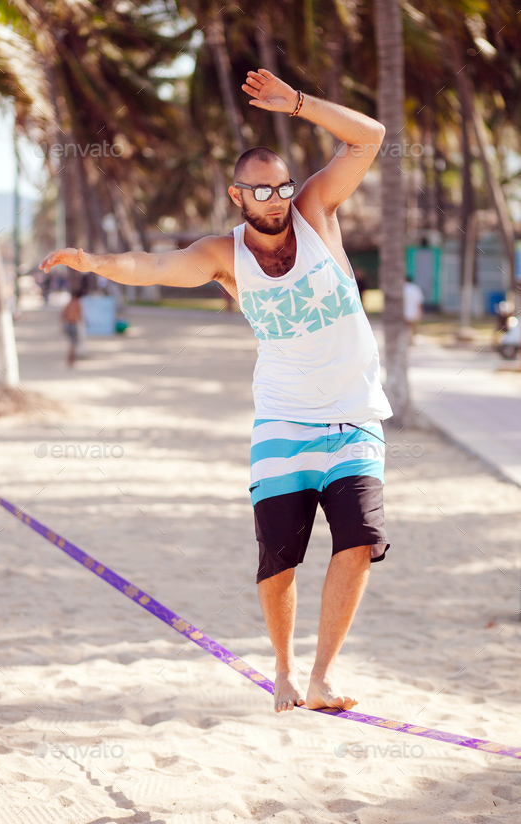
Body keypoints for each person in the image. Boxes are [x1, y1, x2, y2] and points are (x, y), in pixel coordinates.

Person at [40, 68, 393, 714]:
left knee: (359, 537)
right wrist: (94, 264)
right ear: (238, 195)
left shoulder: (316, 212)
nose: (278, 197)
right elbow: (150, 266)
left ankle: (322, 675)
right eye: (263, 189)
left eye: (283, 184)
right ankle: (284, 672)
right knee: (279, 557)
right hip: (283, 419)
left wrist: (297, 104)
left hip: (354, 414)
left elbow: (369, 138)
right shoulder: (223, 256)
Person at [61, 292, 83, 367]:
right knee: (73, 343)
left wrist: (63, 326)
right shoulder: (77, 305)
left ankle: (70, 359)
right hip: (73, 324)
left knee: (71, 343)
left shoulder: (68, 305)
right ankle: (72, 359)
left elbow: (63, 315)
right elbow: (80, 316)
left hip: (68, 324)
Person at [403, 275, 424, 343]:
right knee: (413, 327)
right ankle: (411, 340)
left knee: (405, 327)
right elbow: (419, 301)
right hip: (414, 311)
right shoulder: (415, 288)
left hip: (403, 312)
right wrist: (421, 312)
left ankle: (407, 339)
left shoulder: (400, 288)